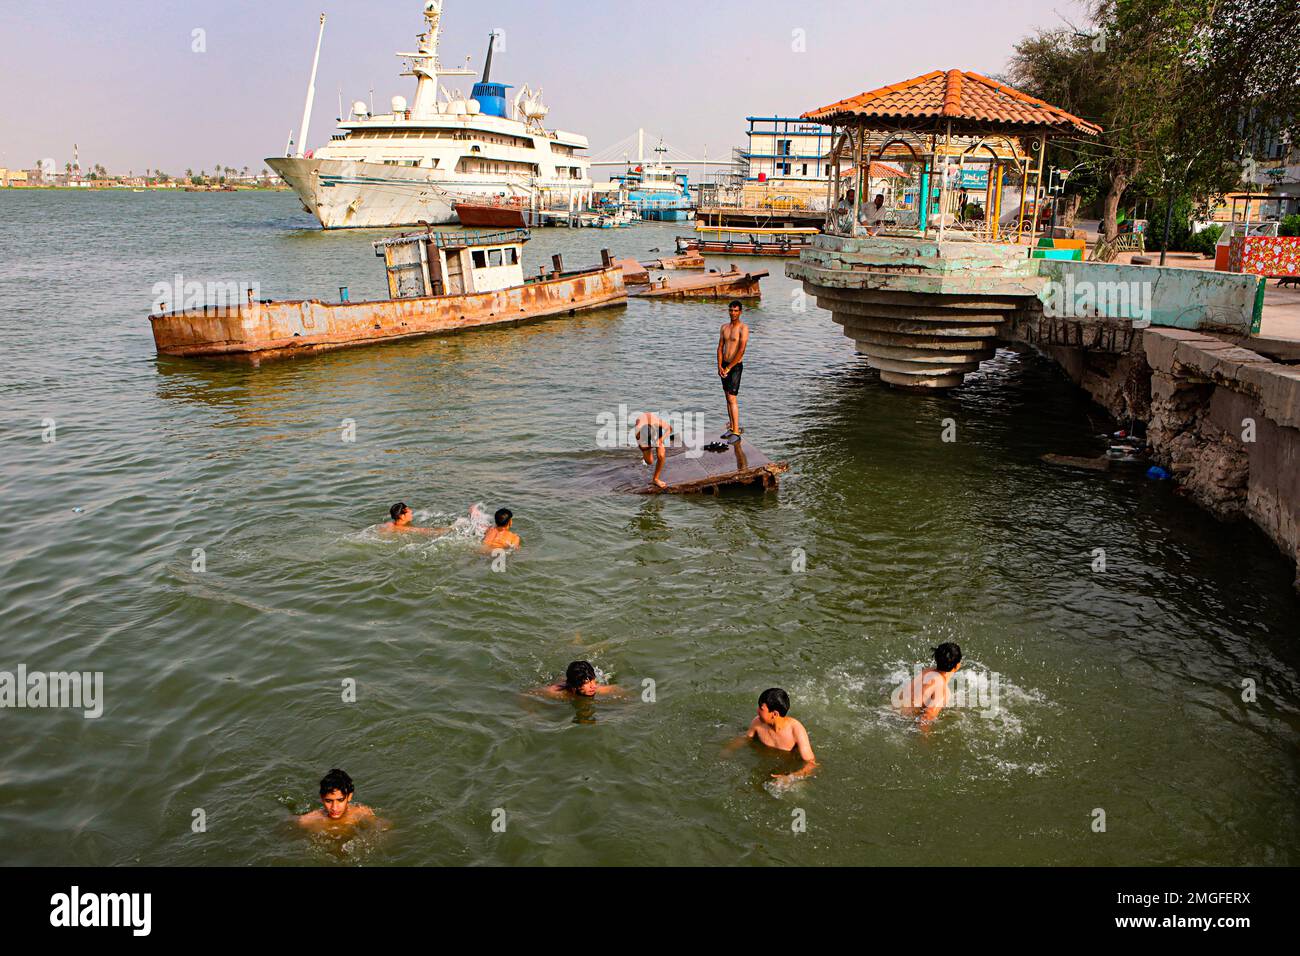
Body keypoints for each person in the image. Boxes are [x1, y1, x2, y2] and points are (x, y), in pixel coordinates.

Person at [741, 688, 815, 782]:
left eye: (761, 708)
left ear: (774, 714)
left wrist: (791, 777)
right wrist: (727, 750)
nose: (757, 710)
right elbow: (746, 739)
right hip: (765, 763)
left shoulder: (796, 730)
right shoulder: (757, 723)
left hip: (788, 768)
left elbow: (811, 764)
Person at [893, 642, 963, 725]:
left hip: (891, 711)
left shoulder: (927, 672)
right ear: (957, 666)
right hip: (901, 721)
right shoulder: (943, 690)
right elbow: (926, 718)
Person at [297, 768, 376, 830]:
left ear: (349, 797)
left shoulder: (362, 813)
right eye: (328, 801)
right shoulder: (308, 820)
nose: (334, 808)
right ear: (322, 798)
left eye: (340, 800)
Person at [717, 301, 749, 439]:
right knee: (727, 398)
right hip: (724, 365)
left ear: (740, 312)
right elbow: (720, 347)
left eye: (736, 311)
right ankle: (731, 427)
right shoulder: (724, 327)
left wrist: (729, 368)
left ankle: (736, 431)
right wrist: (719, 366)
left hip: (734, 367)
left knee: (732, 398)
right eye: (731, 310)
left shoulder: (743, 328)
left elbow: (741, 350)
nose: (733, 313)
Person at [539, 660, 622, 699]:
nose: (593, 686)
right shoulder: (557, 692)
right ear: (575, 685)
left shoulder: (597, 688)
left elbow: (620, 690)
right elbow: (529, 695)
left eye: (593, 680)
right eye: (586, 683)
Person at [634, 411, 674, 490]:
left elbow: (669, 429)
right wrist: (647, 447)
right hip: (644, 434)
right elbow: (641, 445)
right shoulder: (638, 432)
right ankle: (646, 453)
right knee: (649, 461)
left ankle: (655, 479)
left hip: (653, 428)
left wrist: (660, 440)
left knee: (661, 455)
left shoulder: (657, 423)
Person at [381, 502, 446, 535]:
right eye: (408, 510)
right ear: (401, 516)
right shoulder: (406, 529)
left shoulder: (388, 524)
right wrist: (451, 528)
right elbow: (428, 531)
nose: (411, 511)